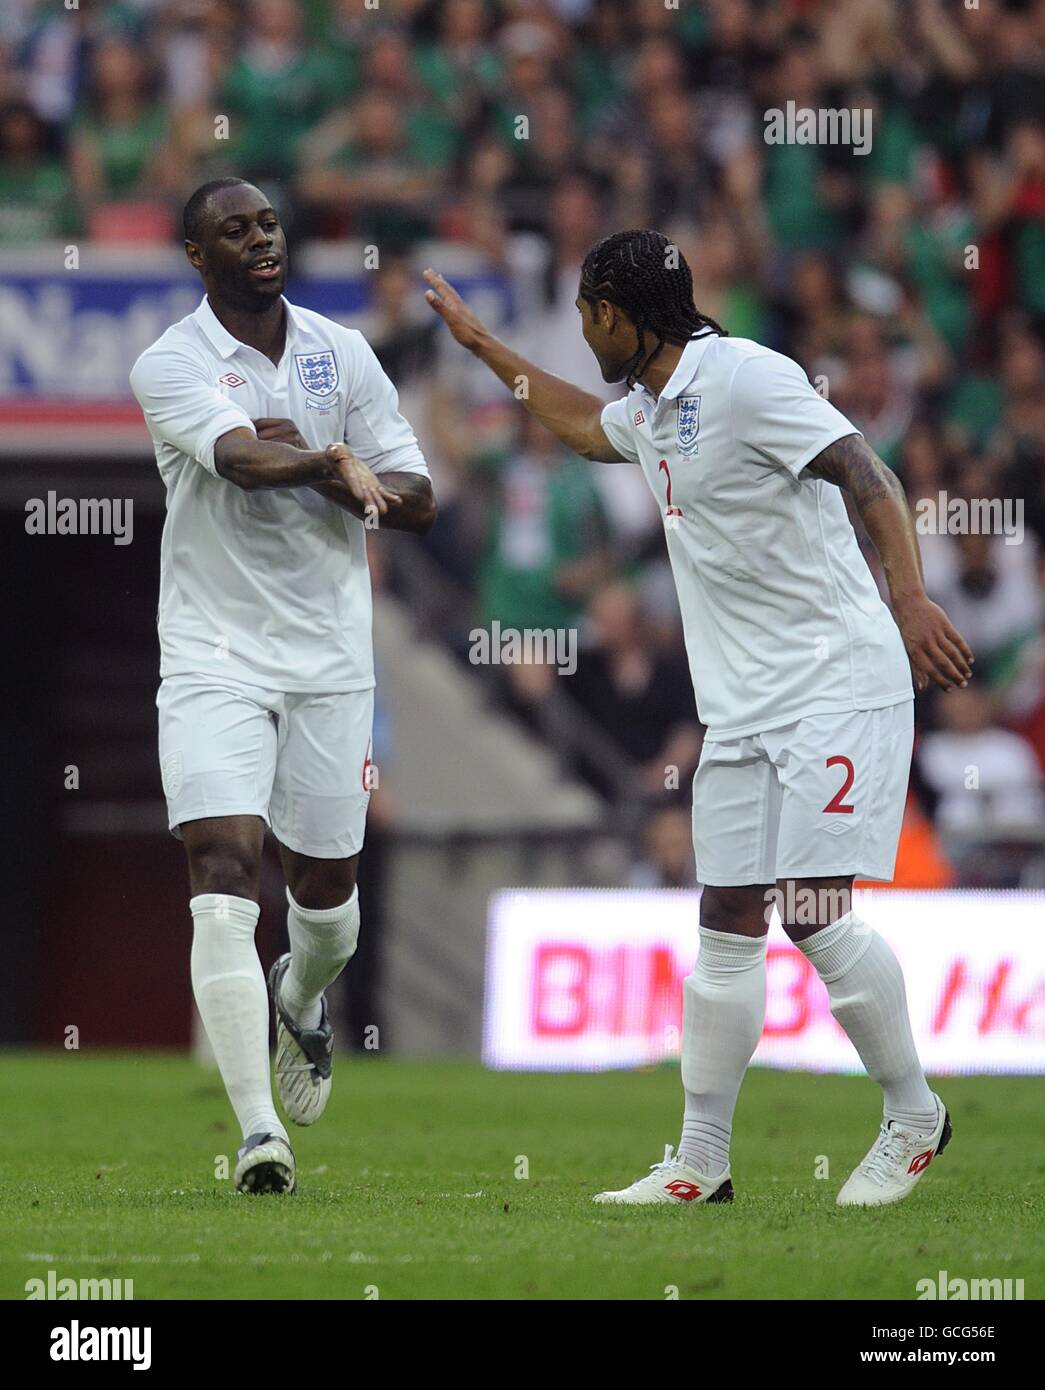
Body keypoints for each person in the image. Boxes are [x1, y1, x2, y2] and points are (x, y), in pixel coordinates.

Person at [423, 228, 972, 1209]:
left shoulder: (749, 378)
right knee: (726, 918)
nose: (584, 325)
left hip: (834, 677)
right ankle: (700, 1158)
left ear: (619, 314)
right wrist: (481, 349)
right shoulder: (650, 407)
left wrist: (909, 599)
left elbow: (867, 475)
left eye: (589, 310)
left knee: (811, 911)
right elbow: (585, 426)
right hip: (744, 706)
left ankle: (914, 1113)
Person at [130, 177, 436, 1195]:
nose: (260, 239)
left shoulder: (342, 354)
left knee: (325, 895)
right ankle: (260, 1132)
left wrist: (380, 486)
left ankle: (301, 1001)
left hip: (329, 659)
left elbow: (419, 492)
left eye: (266, 223)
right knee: (222, 870)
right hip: (212, 653)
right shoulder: (169, 362)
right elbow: (238, 459)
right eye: (234, 229)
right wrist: (333, 462)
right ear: (195, 255)